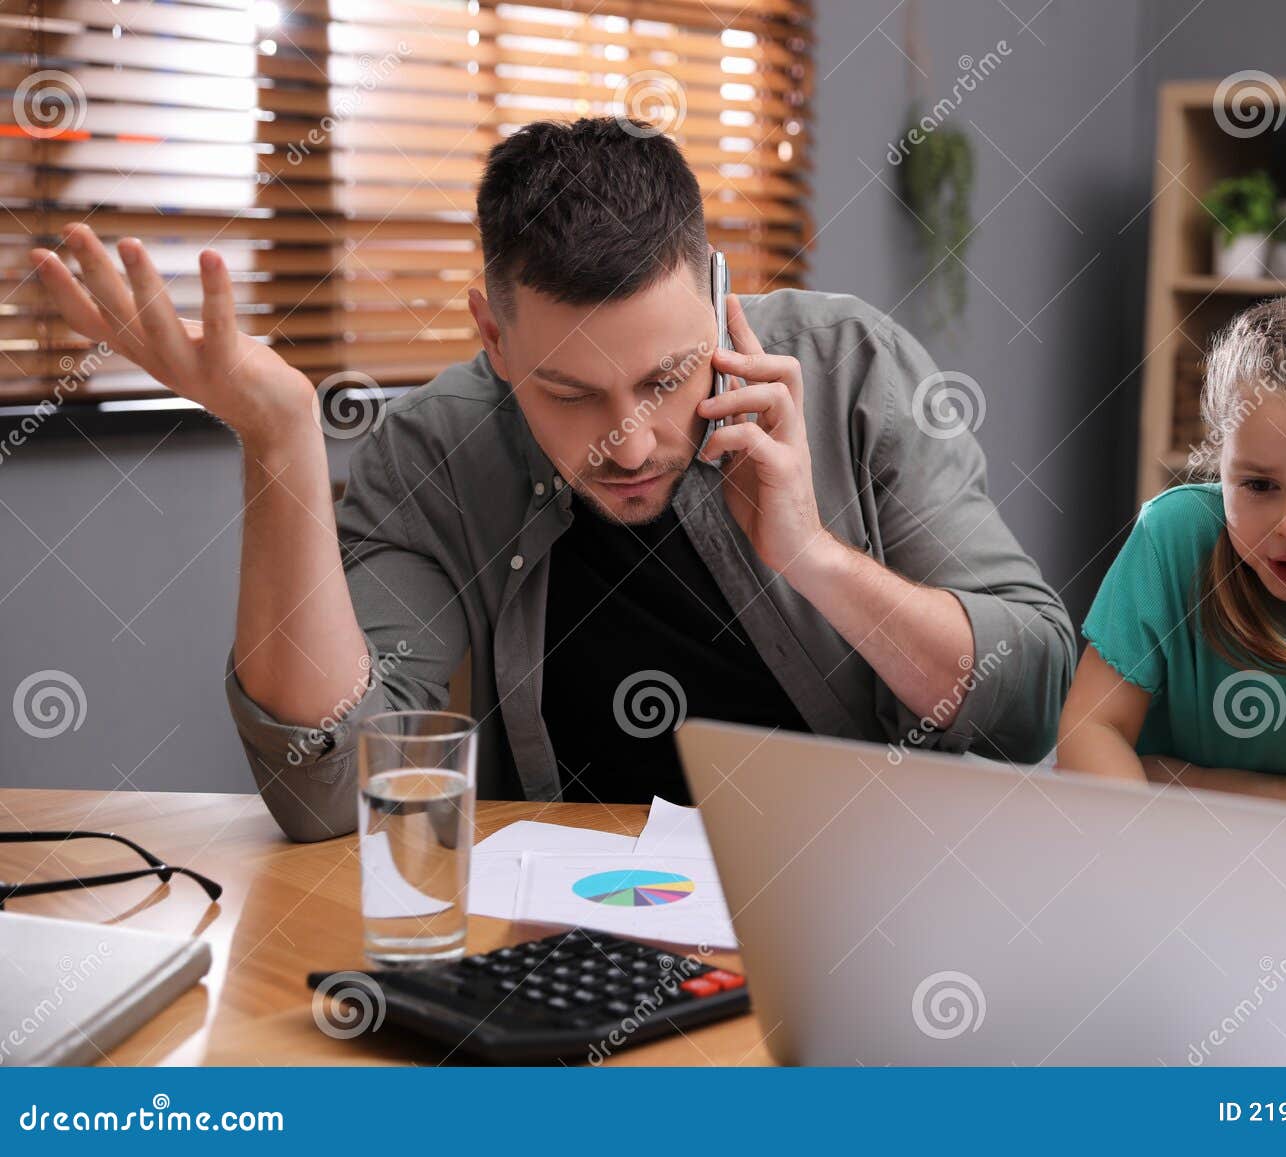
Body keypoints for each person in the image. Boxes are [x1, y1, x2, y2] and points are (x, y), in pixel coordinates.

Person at [30, 118, 1074, 841]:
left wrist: (812, 554)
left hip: (861, 904)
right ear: (490, 332)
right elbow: (324, 784)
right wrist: (280, 435)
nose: (627, 440)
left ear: (715, 297)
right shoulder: (435, 450)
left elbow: (1027, 695)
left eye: (667, 377)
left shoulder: (849, 365)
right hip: (576, 933)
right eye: (567, 391)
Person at [1056, 297, 1286, 843]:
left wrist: (1210, 789)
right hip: (1167, 849)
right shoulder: (1175, 535)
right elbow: (1090, 729)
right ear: (1220, 467)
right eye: (1258, 485)